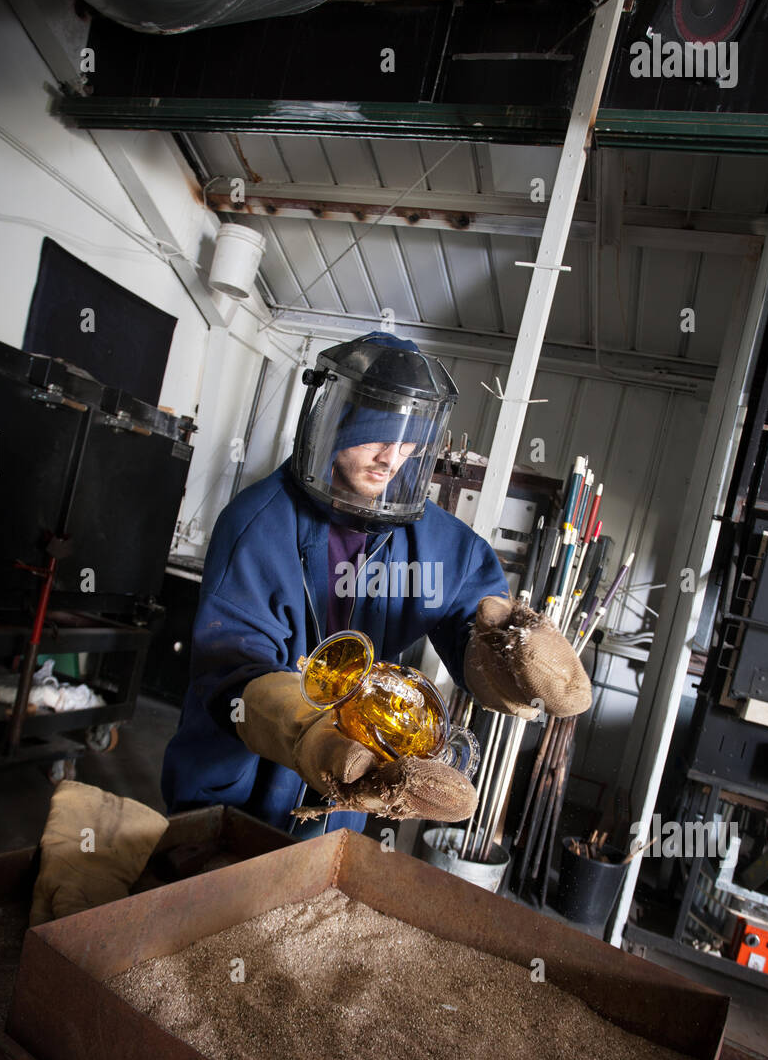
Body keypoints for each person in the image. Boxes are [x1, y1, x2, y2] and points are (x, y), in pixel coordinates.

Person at [161, 331, 590, 833]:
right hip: (236, 782)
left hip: (346, 789)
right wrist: (312, 735)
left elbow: (469, 605)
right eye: (378, 436)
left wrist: (503, 657)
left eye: (408, 443)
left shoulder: (429, 537)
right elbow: (233, 668)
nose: (393, 458)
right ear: (334, 423)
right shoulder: (256, 524)